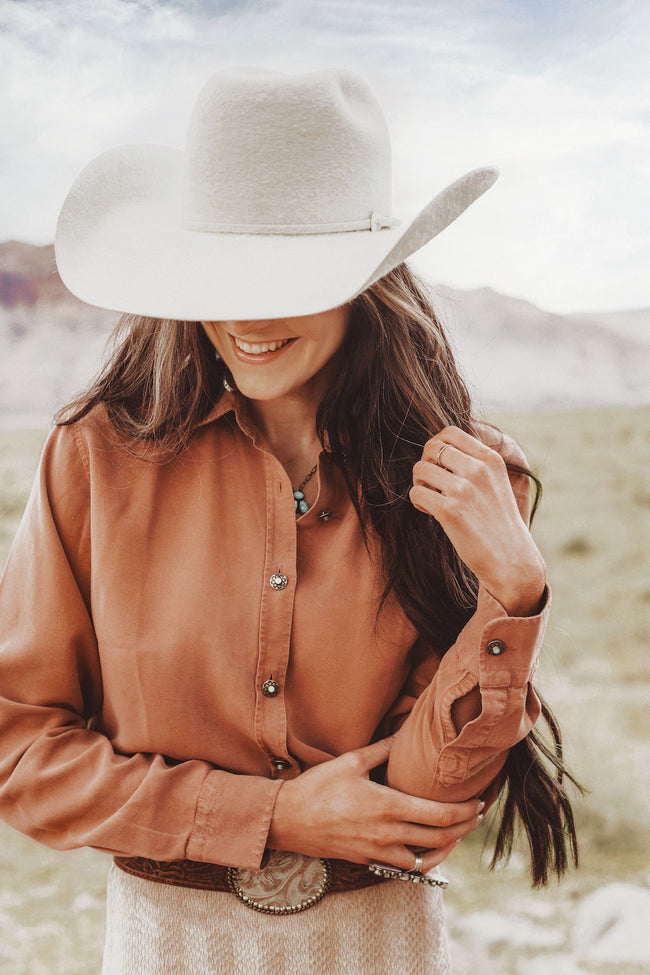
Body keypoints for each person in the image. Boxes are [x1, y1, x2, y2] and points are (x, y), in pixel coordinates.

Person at [0, 68, 578, 974]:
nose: (246, 314)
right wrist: (271, 815)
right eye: (222, 274)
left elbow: (429, 800)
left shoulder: (467, 478)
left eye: (288, 278)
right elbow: (20, 748)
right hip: (168, 948)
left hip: (378, 945)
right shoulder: (96, 457)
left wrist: (515, 592)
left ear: (366, 285)